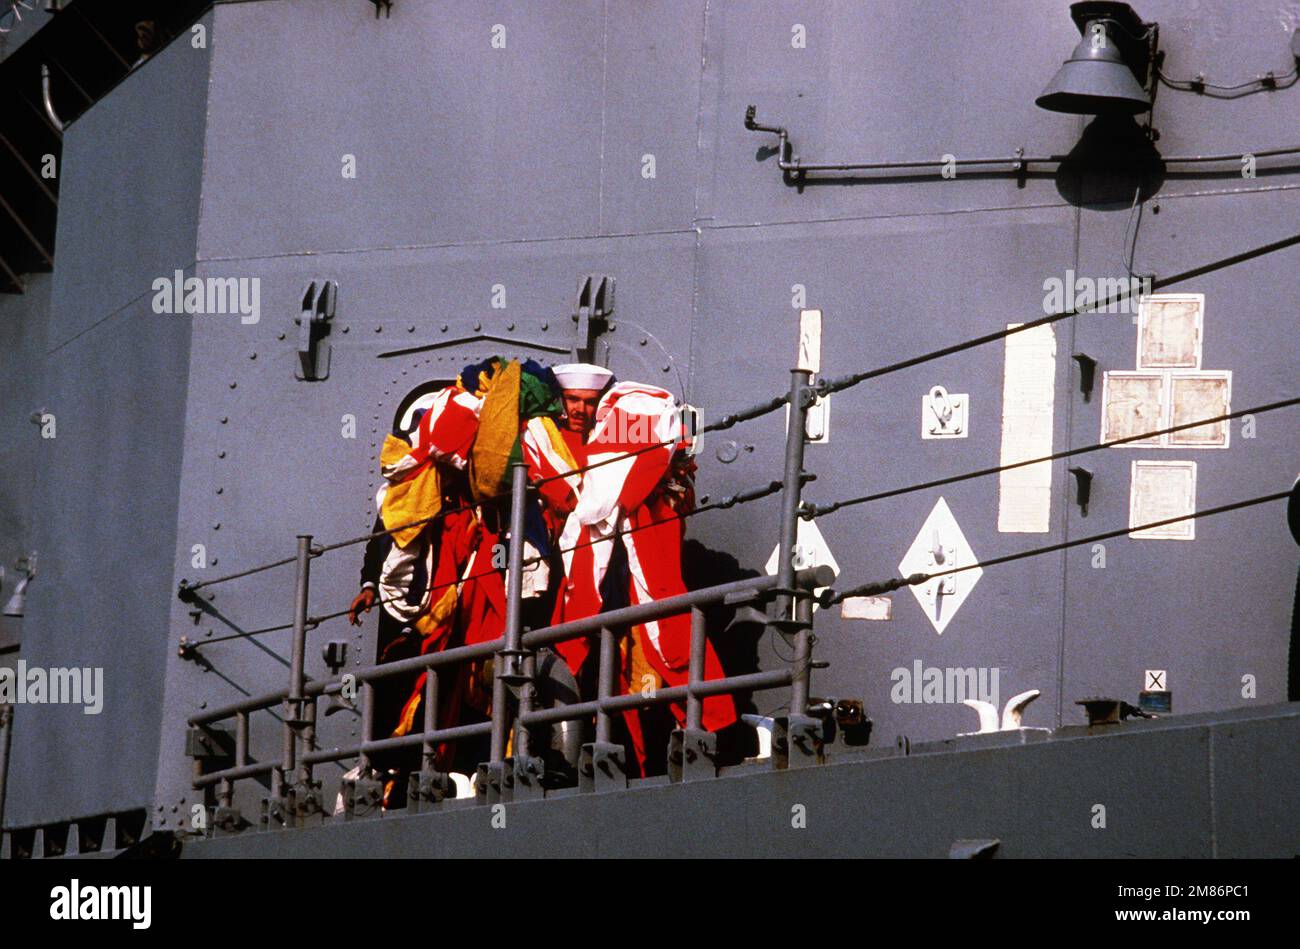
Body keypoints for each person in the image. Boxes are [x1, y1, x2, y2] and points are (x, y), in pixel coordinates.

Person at [523, 364, 736, 776]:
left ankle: (691, 741)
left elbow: (668, 454)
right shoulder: (552, 440)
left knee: (659, 648)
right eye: (573, 401)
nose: (581, 410)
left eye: (589, 402)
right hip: (581, 580)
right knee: (587, 660)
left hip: (627, 576)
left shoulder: (621, 426)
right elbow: (568, 498)